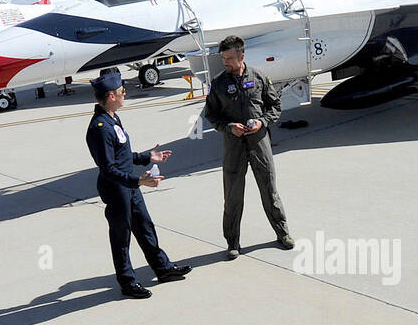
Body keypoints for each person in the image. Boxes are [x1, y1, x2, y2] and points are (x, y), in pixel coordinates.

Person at [85, 71, 190, 298]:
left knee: (145, 227)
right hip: (116, 189)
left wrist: (148, 157)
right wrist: (138, 180)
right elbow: (109, 169)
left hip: (129, 186)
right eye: (123, 91)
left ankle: (163, 268)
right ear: (111, 96)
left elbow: (123, 156)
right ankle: (127, 282)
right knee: (121, 237)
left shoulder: (112, 118)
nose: (125, 94)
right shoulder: (100, 128)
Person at [203, 35, 295, 259]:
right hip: (233, 146)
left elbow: (275, 105)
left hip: (259, 143)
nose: (226, 62)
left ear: (241, 56)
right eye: (223, 58)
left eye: (230, 58)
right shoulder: (218, 83)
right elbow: (211, 115)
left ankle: (282, 233)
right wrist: (228, 127)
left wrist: (262, 122)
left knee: (269, 190)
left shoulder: (259, 77)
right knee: (233, 196)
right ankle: (233, 243)